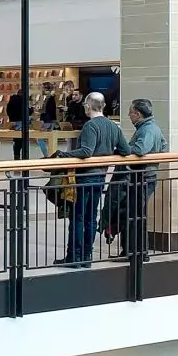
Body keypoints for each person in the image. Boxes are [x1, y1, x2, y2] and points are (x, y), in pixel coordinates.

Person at [52, 93, 125, 268]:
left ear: (87, 106)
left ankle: (74, 257)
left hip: (84, 178)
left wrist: (64, 154)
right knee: (91, 218)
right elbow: (125, 149)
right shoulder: (113, 126)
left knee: (78, 218)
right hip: (100, 178)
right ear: (104, 106)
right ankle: (86, 256)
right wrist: (107, 155)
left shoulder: (90, 126)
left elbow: (86, 151)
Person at [112, 97, 168, 260]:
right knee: (136, 215)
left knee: (134, 215)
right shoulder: (151, 128)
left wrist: (124, 149)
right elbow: (164, 146)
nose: (129, 116)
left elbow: (140, 149)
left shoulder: (147, 129)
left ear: (137, 114)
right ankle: (135, 251)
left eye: (130, 113)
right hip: (145, 177)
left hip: (141, 178)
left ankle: (134, 252)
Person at [5, 88, 29, 160]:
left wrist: (11, 118)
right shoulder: (22, 101)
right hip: (21, 121)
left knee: (16, 140)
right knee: (22, 140)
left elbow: (8, 110)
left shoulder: (11, 100)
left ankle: (16, 155)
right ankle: (24, 157)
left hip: (13, 122)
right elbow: (25, 111)